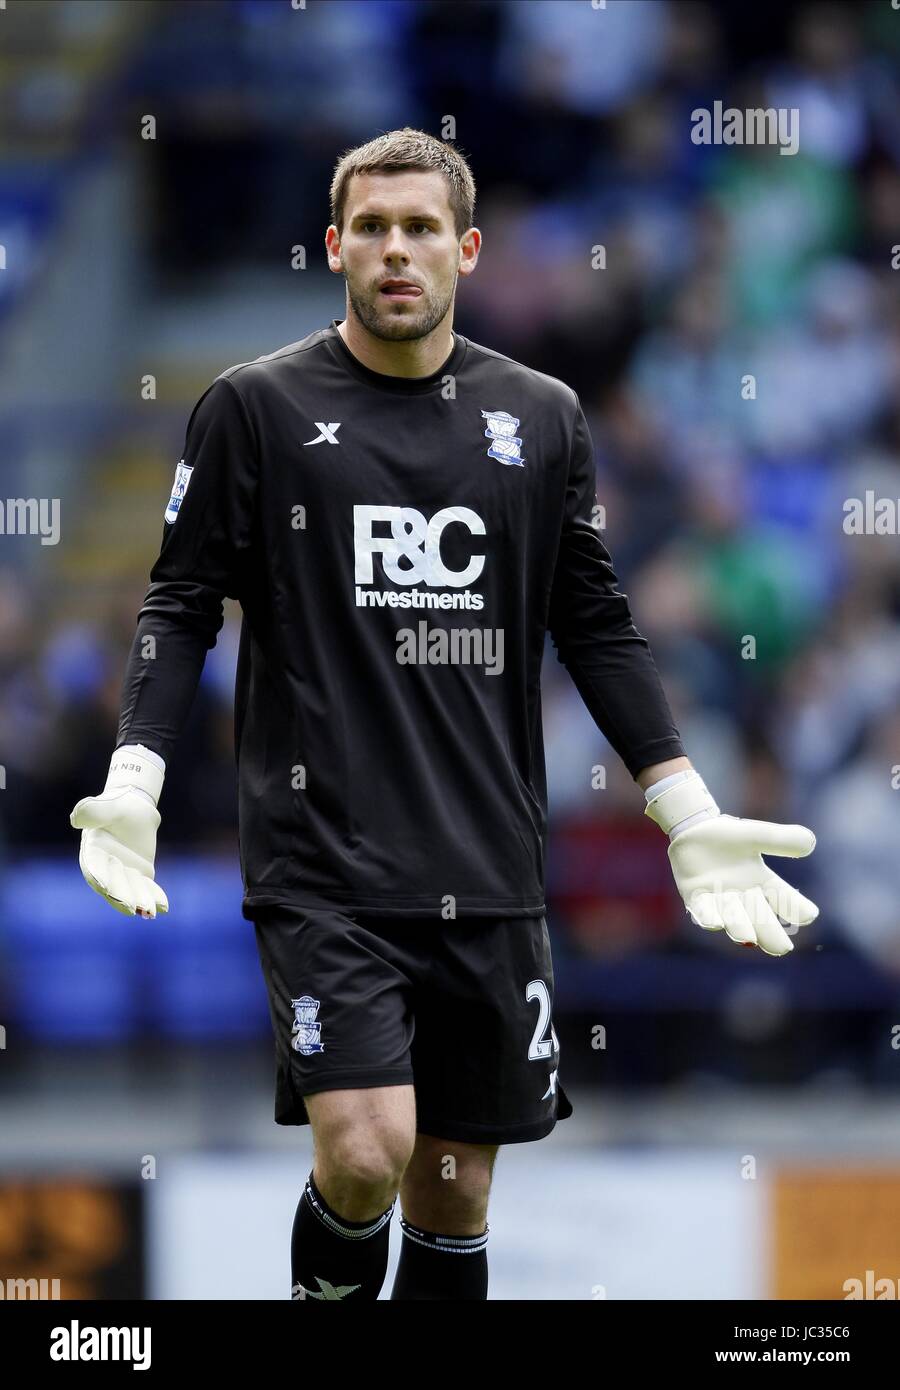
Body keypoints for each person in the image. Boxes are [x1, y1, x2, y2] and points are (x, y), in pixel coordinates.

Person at [70, 128, 819, 1302]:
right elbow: (179, 606)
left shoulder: (542, 419)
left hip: (489, 859)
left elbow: (599, 625)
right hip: (326, 866)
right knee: (367, 1154)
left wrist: (685, 805)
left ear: (466, 249)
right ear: (335, 248)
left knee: (456, 1187)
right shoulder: (254, 411)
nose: (396, 250)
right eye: (371, 228)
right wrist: (136, 779)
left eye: (421, 227)